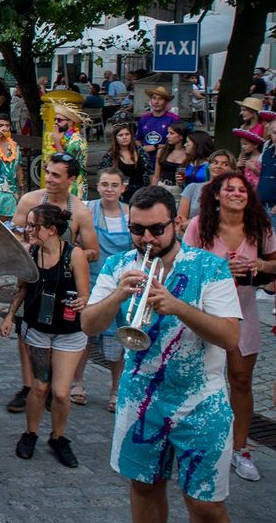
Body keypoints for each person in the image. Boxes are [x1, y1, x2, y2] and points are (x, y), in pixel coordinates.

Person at [83, 185, 240, 523]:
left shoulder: (210, 267)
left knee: (205, 505)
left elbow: (230, 336)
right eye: (137, 230)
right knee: (144, 488)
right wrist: (116, 297)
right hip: (139, 399)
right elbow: (89, 325)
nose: (147, 238)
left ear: (177, 223)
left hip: (200, 401)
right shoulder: (118, 265)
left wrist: (178, 307)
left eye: (156, 229)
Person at [182, 172, 272, 483]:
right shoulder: (199, 226)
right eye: (229, 189)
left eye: (241, 189)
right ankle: (193, 439)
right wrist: (220, 267)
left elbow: (275, 263)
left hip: (243, 310)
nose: (236, 193)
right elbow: (183, 266)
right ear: (217, 195)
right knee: (197, 375)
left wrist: (259, 265)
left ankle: (241, 449)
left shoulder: (260, 227)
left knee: (241, 379)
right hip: (204, 311)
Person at [0, 203, 90, 468]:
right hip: (37, 328)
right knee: (39, 387)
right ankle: (30, 433)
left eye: (33, 226)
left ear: (51, 230)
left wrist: (82, 302)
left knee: (61, 393)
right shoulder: (30, 252)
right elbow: (22, 288)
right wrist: (9, 315)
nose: (28, 230)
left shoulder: (75, 255)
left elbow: (85, 294)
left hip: (69, 332)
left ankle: (58, 437)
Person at [81, 169, 132, 413]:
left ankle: (115, 390)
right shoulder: (87, 209)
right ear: (97, 187)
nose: (109, 189)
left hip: (120, 284)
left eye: (114, 184)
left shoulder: (130, 214)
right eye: (104, 184)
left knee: (117, 345)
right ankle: (77, 383)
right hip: (91, 279)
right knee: (84, 338)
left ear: (124, 188)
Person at [43, 104, 88, 198]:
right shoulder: (63, 138)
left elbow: (67, 164)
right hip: (63, 187)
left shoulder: (77, 142)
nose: (56, 122)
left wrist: (56, 142)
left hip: (74, 189)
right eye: (55, 119)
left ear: (70, 122)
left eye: (59, 120)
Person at [178, 150, 236, 221]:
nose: (219, 166)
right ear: (209, 166)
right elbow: (180, 219)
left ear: (232, 170)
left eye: (225, 164)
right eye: (215, 162)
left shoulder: (234, 192)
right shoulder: (192, 188)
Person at [100, 122, 151, 203]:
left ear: (131, 136)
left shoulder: (140, 151)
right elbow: (103, 175)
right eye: (120, 135)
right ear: (115, 138)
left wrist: (151, 191)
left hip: (142, 192)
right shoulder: (110, 156)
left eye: (127, 134)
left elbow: (150, 171)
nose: (124, 137)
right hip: (121, 194)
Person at [136, 86, 181, 156]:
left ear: (166, 102)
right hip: (146, 160)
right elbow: (137, 139)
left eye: (160, 99)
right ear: (150, 100)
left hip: (166, 158)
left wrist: (156, 147)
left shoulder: (174, 119)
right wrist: (141, 150)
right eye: (154, 98)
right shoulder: (144, 119)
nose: (156, 102)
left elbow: (179, 142)